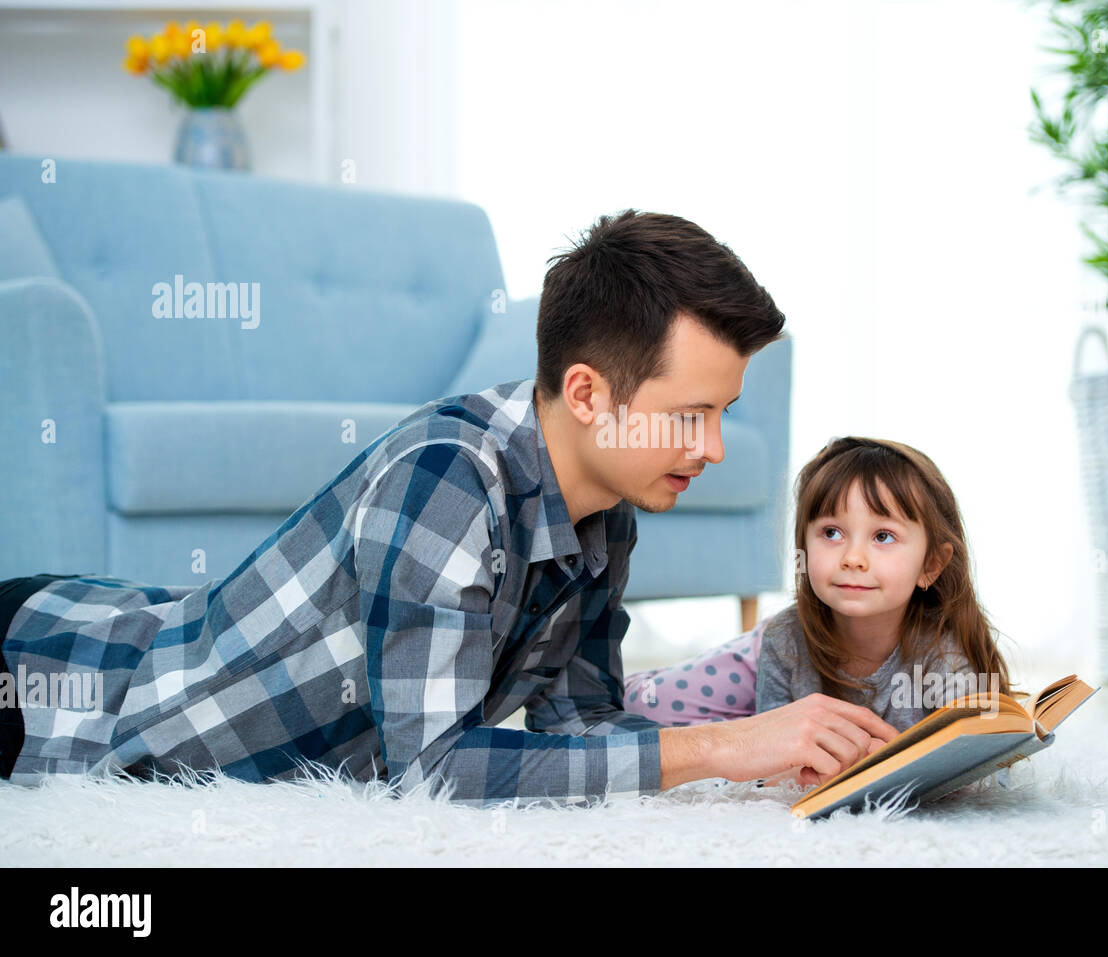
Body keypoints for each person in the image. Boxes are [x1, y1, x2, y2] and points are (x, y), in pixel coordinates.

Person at [0, 211, 898, 806]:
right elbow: (432, 767)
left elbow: (579, 720)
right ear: (587, 393)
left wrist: (776, 756)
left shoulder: (607, 511)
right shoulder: (447, 476)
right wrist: (722, 747)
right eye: (689, 414)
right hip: (61, 689)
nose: (711, 447)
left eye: (723, 415)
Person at [622, 436, 1017, 789]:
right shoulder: (783, 641)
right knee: (636, 704)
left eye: (883, 536)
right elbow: (770, 760)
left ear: (931, 565)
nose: (853, 558)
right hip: (759, 657)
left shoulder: (941, 655)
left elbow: (988, 768)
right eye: (832, 533)